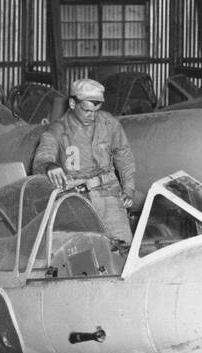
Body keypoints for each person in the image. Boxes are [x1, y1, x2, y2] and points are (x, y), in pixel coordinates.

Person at [32, 77, 137, 243]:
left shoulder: (109, 123)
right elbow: (42, 156)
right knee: (82, 254)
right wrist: (50, 165)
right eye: (87, 110)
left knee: (123, 248)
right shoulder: (58, 130)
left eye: (96, 110)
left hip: (108, 195)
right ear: (73, 104)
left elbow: (123, 155)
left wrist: (128, 188)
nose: (92, 116)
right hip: (76, 201)